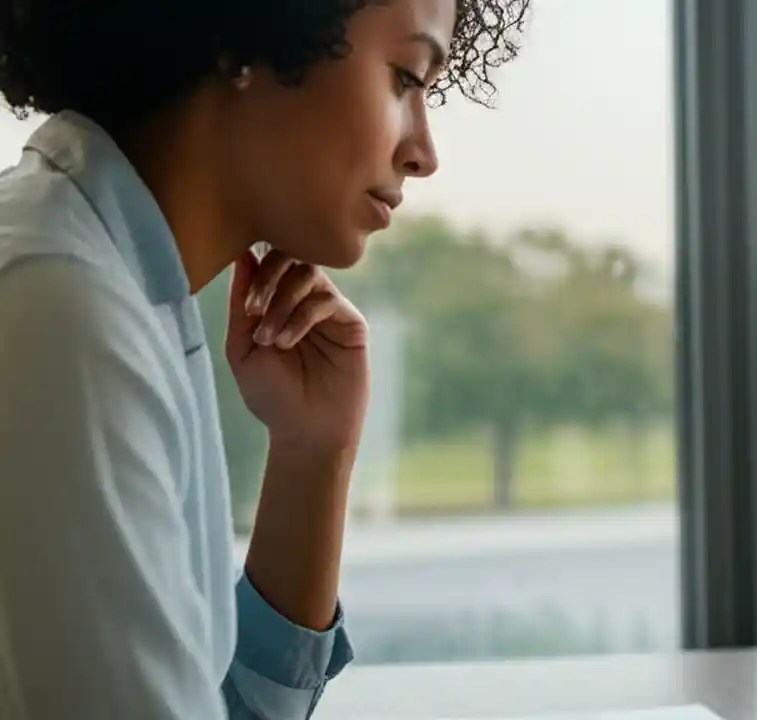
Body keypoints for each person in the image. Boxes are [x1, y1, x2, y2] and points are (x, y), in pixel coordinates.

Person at [0, 0, 527, 717]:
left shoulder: (122, 285)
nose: (423, 153)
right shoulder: (62, 312)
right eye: (405, 75)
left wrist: (315, 451)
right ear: (245, 29)